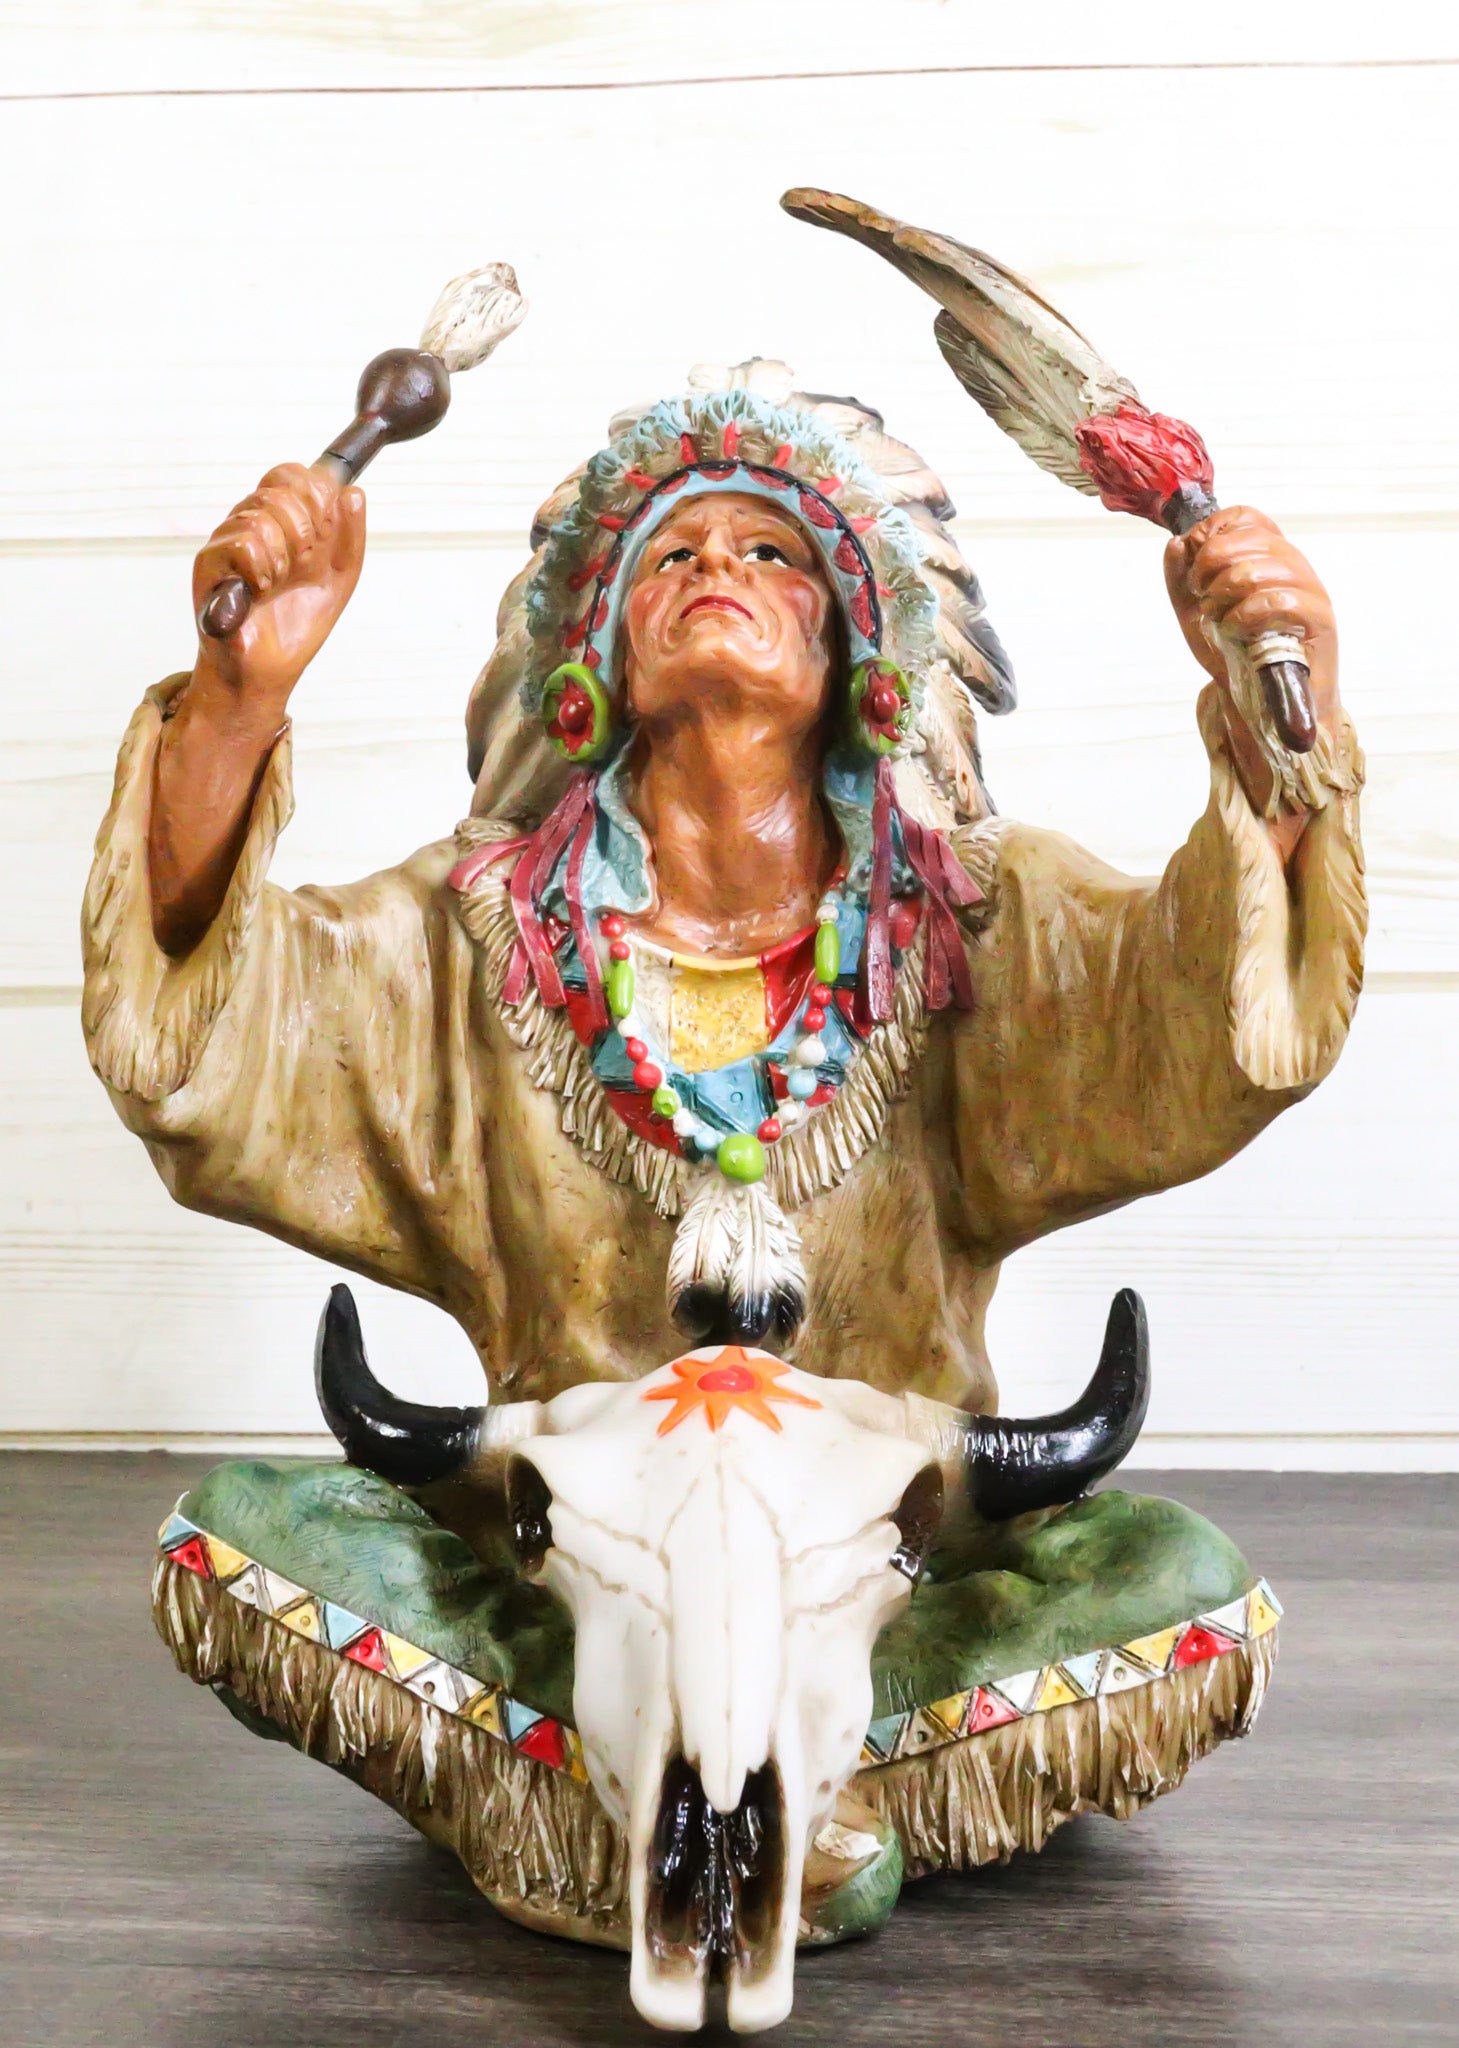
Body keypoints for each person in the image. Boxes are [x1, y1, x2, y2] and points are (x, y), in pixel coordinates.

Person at [95, 363, 1362, 1943]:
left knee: (1176, 1584)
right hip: (568, 1580)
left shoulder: (970, 919)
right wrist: (236, 704)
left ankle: (637, 1794)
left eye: (771, 554)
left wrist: (1273, 698)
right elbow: (213, 1048)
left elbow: (1204, 1021)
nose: (715, 571)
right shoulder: (471, 938)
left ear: (858, 650)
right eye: (672, 554)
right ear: (596, 657)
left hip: (887, 1586)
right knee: (243, 1535)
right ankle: (771, 1802)